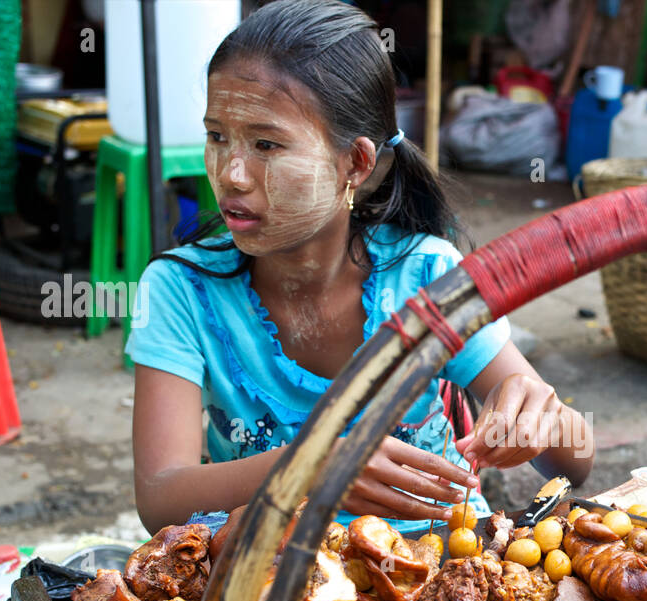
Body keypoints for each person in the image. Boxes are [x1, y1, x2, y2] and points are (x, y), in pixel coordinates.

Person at [127, 0, 594, 537]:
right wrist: (309, 468)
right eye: (216, 136)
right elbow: (161, 498)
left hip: (443, 576)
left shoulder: (426, 278)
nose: (231, 174)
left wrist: (544, 419)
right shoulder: (181, 290)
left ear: (356, 163)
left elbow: (575, 464)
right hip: (271, 584)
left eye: (266, 144)